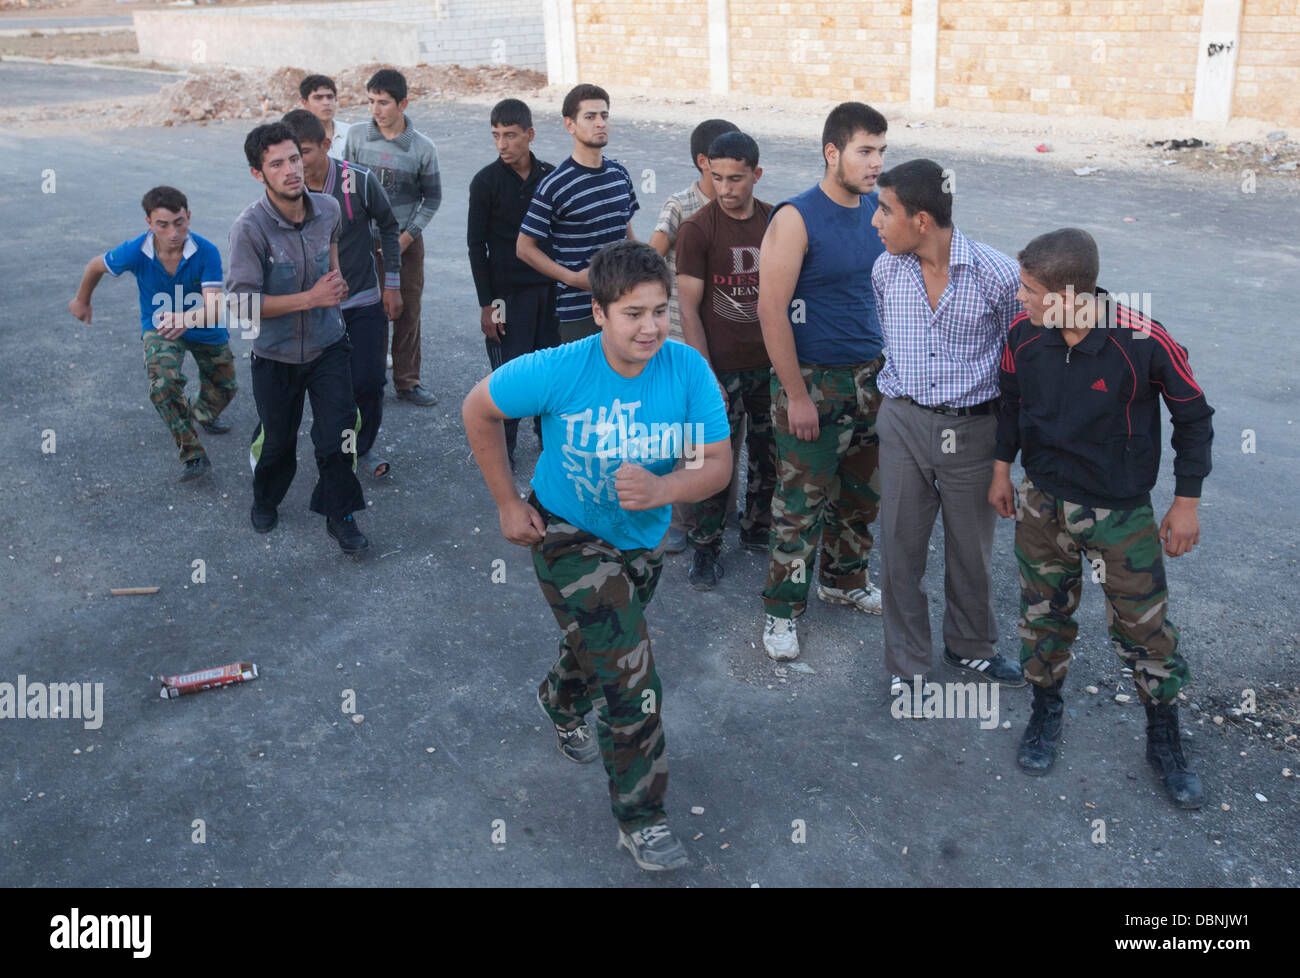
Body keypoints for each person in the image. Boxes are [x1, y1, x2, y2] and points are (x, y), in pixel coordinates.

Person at [461, 240, 731, 871]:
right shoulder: (561, 367)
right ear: (600, 312)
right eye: (633, 313)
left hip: (642, 542)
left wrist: (664, 489)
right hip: (563, 533)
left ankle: (559, 698)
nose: (651, 327)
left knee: (601, 641)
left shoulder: (687, 371)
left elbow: (716, 464)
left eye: (660, 311)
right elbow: (478, 409)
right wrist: (505, 503)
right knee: (631, 672)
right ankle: (643, 820)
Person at [990, 227, 1212, 808]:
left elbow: (1194, 417)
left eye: (1029, 288)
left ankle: (1164, 738)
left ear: (1069, 295)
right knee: (1043, 614)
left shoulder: (1141, 339)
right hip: (1043, 504)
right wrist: (999, 470)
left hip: (1119, 513)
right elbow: (1010, 403)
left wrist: (1185, 501)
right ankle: (1045, 712)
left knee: (1144, 627)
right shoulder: (1023, 334)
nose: (1019, 297)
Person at [870, 159, 1027, 714]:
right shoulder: (887, 271)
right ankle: (906, 664)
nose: (876, 222)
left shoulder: (999, 276)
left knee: (971, 548)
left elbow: (1019, 363)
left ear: (920, 220)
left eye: (884, 210)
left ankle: (971, 647)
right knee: (899, 548)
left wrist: (1010, 450)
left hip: (974, 429)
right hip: (905, 422)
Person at [756, 102, 889, 661]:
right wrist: (796, 395)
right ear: (832, 152)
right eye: (865, 150)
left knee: (860, 496)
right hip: (813, 381)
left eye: (882, 150)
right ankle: (781, 612)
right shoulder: (795, 217)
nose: (877, 162)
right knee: (799, 505)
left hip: (873, 379)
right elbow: (770, 310)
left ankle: (844, 580)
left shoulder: (881, 210)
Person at [227, 122, 369, 554]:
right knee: (278, 442)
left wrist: (337, 279)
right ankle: (265, 498)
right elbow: (242, 304)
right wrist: (310, 297)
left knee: (338, 437)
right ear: (258, 173)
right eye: (277, 164)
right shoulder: (249, 229)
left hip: (329, 346)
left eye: (294, 158)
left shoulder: (327, 208)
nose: (291, 170)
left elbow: (331, 248)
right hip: (275, 355)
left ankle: (339, 515)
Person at [68, 185, 234, 483]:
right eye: (163, 224)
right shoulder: (136, 250)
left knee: (225, 388)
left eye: (179, 222)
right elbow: (95, 266)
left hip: (203, 324)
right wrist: (82, 300)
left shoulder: (205, 251)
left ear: (189, 217)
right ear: (149, 223)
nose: (173, 232)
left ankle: (200, 412)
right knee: (163, 386)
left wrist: (187, 318)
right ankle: (192, 453)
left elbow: (215, 307)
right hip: (161, 327)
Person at [676, 130, 776, 589]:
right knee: (709, 458)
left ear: (755, 174)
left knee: (769, 452)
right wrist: (704, 373)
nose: (726, 188)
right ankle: (705, 547)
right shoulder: (697, 229)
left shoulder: (776, 223)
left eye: (736, 178)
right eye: (717, 178)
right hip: (718, 367)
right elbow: (689, 308)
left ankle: (758, 529)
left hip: (770, 365)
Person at [282, 109, 402, 479]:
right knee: (318, 391)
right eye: (289, 156)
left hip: (363, 300)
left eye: (303, 153)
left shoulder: (359, 181)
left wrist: (392, 284)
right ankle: (330, 454)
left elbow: (389, 224)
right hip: (312, 309)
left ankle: (361, 449)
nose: (296, 164)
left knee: (368, 381)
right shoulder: (284, 190)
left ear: (325, 145)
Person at [647, 118, 739, 554]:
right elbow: (651, 254)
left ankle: (721, 510)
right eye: (720, 167)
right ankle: (682, 519)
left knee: (724, 429)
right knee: (689, 434)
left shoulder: (738, 208)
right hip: (683, 340)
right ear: (705, 162)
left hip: (725, 339)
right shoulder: (682, 205)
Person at [467, 98, 559, 469]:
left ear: (529, 135)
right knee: (510, 374)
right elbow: (476, 246)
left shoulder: (551, 178)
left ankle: (550, 442)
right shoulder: (485, 182)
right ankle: (503, 449)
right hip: (506, 296)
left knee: (551, 370)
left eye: (510, 135)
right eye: (496, 136)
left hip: (549, 292)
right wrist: (487, 304)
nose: (502, 144)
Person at [343, 68, 442, 407]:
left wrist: (407, 237)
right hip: (363, 243)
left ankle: (407, 381)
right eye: (371, 101)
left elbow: (432, 199)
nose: (376, 110)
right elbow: (348, 191)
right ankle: (364, 380)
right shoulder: (356, 138)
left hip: (405, 244)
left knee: (407, 311)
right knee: (366, 309)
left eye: (383, 103)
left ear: (403, 103)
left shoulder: (422, 148)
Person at [517, 83, 638, 344]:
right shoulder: (555, 184)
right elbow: (524, 248)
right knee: (586, 383)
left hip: (624, 304)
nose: (600, 123)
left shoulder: (619, 174)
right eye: (590, 116)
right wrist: (572, 278)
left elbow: (626, 233)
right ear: (570, 125)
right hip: (579, 312)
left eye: (604, 116)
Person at [298, 73, 350, 161]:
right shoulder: (298, 138)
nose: (326, 102)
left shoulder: (350, 132)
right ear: (304, 103)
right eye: (318, 98)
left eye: (330, 97)